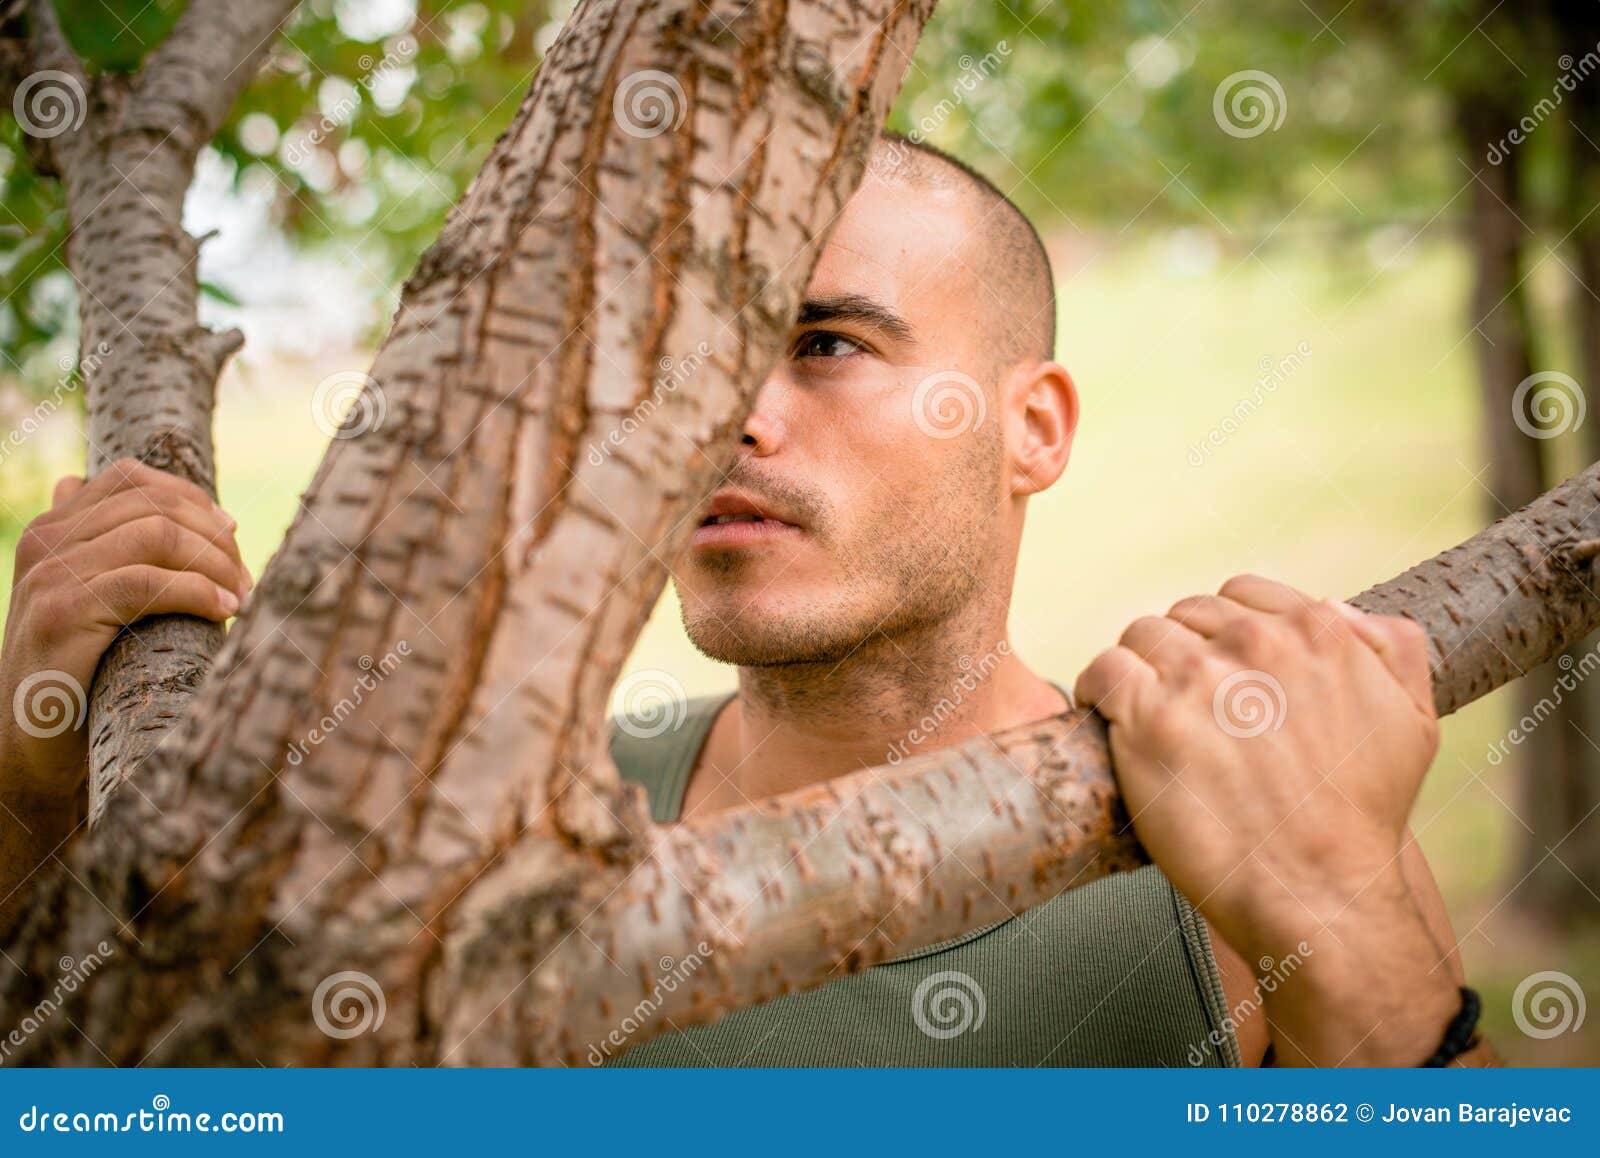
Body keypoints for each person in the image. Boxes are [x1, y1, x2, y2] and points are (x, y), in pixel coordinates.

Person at [0, 133, 1486, 1066]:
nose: (730, 419)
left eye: (829, 344)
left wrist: (1352, 925)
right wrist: (33, 792)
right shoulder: (503, 818)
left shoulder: (1242, 853)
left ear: (1033, 427)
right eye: (687, 368)